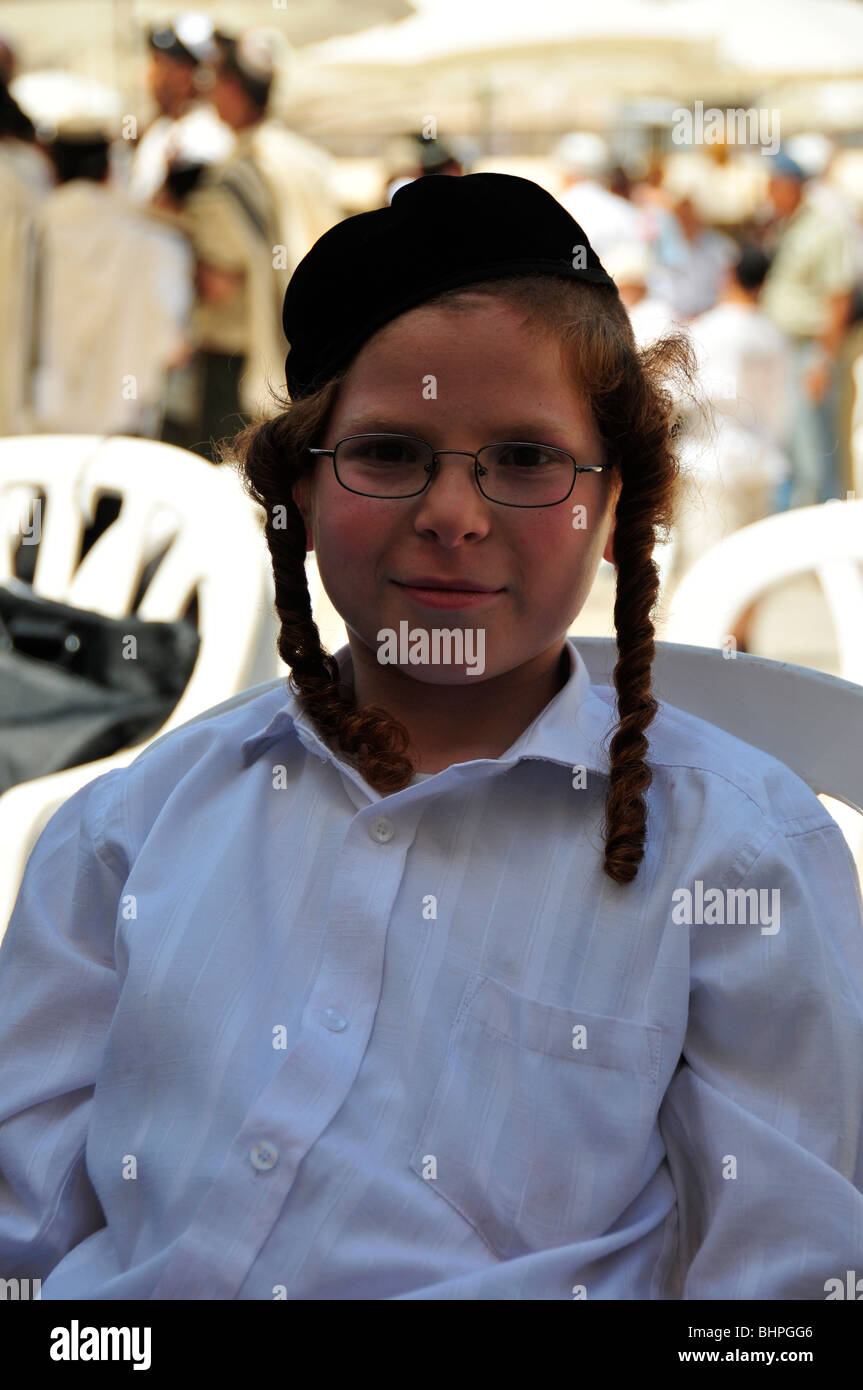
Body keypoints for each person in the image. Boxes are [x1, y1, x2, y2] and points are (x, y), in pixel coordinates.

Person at [1, 173, 862, 1301]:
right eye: (390, 453)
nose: (452, 512)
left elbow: (782, 1284)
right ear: (301, 494)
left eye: (522, 459)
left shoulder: (734, 857)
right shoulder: (130, 831)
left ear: (612, 509)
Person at [28, 114, 192, 438]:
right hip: (122, 436)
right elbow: (172, 347)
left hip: (39, 429)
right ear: (106, 170)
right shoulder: (156, 238)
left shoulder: (33, 227)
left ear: (53, 167)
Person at [167, 28, 288, 460]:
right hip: (291, 351)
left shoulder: (232, 174)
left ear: (234, 89)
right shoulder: (303, 160)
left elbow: (219, 283)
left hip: (237, 361)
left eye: (213, 80)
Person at [759, 150, 856, 507]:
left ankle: (822, 522)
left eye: (773, 186)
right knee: (792, 443)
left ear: (792, 186)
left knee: (815, 448)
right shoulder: (785, 226)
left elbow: (838, 297)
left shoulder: (824, 229)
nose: (768, 193)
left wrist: (822, 361)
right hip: (783, 346)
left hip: (809, 347)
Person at [127, 14, 234, 206]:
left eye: (158, 63)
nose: (149, 74)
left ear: (182, 75)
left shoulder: (203, 137)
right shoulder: (164, 128)